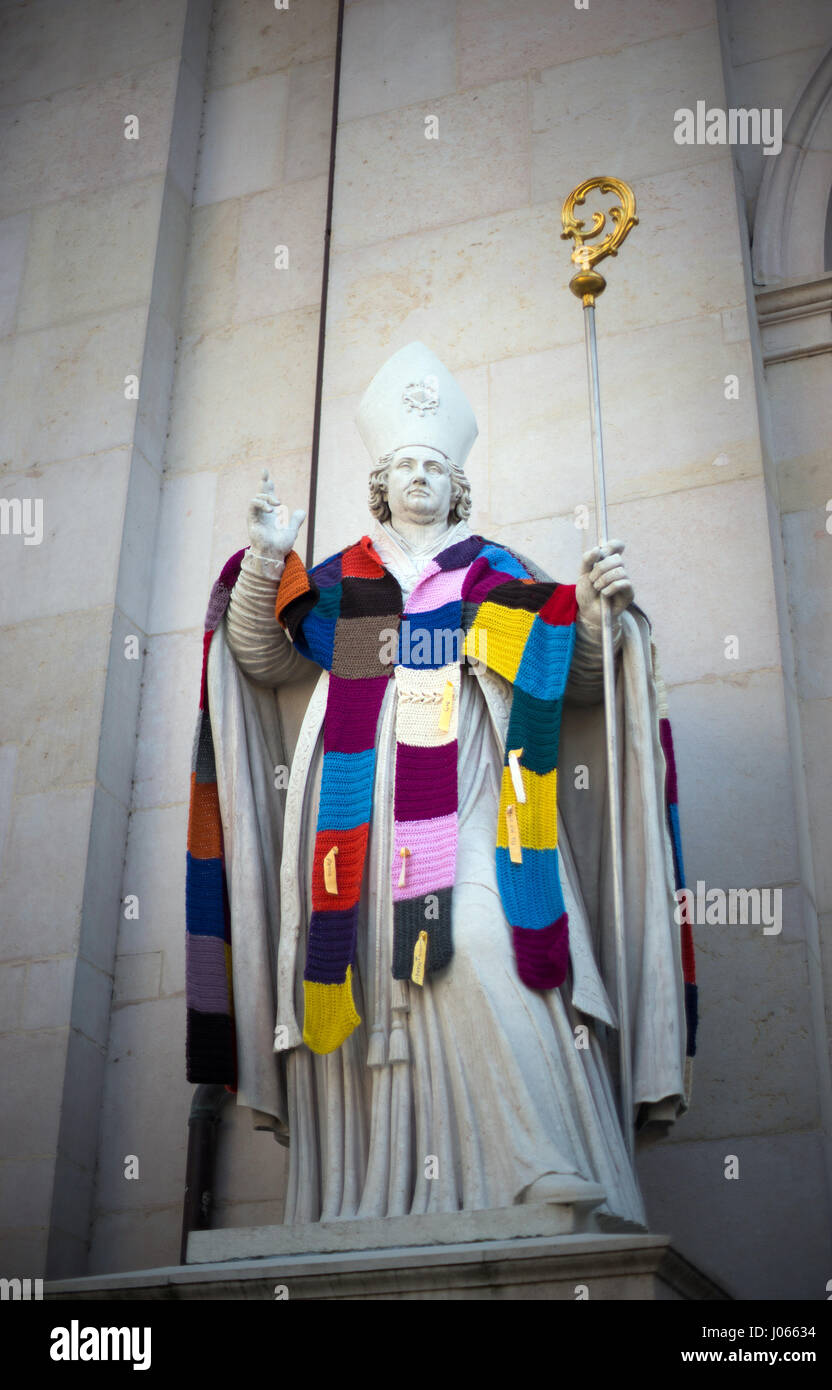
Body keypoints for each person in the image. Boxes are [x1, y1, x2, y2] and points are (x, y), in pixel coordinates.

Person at [185, 341, 692, 1228]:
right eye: (404, 465)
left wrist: (602, 617)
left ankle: (542, 1162)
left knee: (489, 949)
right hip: (356, 830)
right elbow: (262, 656)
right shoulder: (343, 584)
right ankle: (381, 1203)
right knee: (376, 989)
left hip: (475, 812)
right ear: (381, 484)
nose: (420, 476)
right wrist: (266, 561)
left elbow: (571, 680)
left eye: (434, 466)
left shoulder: (498, 578)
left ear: (458, 485)